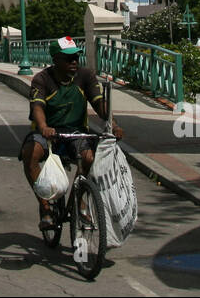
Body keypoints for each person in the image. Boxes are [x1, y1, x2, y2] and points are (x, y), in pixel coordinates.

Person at [18, 36, 123, 232]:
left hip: (76, 132)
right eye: (68, 58)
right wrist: (43, 127)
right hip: (48, 132)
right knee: (30, 154)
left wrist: (113, 124)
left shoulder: (86, 76)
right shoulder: (42, 79)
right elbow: (38, 107)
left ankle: (80, 200)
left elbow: (99, 103)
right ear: (55, 59)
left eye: (76, 57)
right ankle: (45, 206)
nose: (74, 61)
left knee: (89, 158)